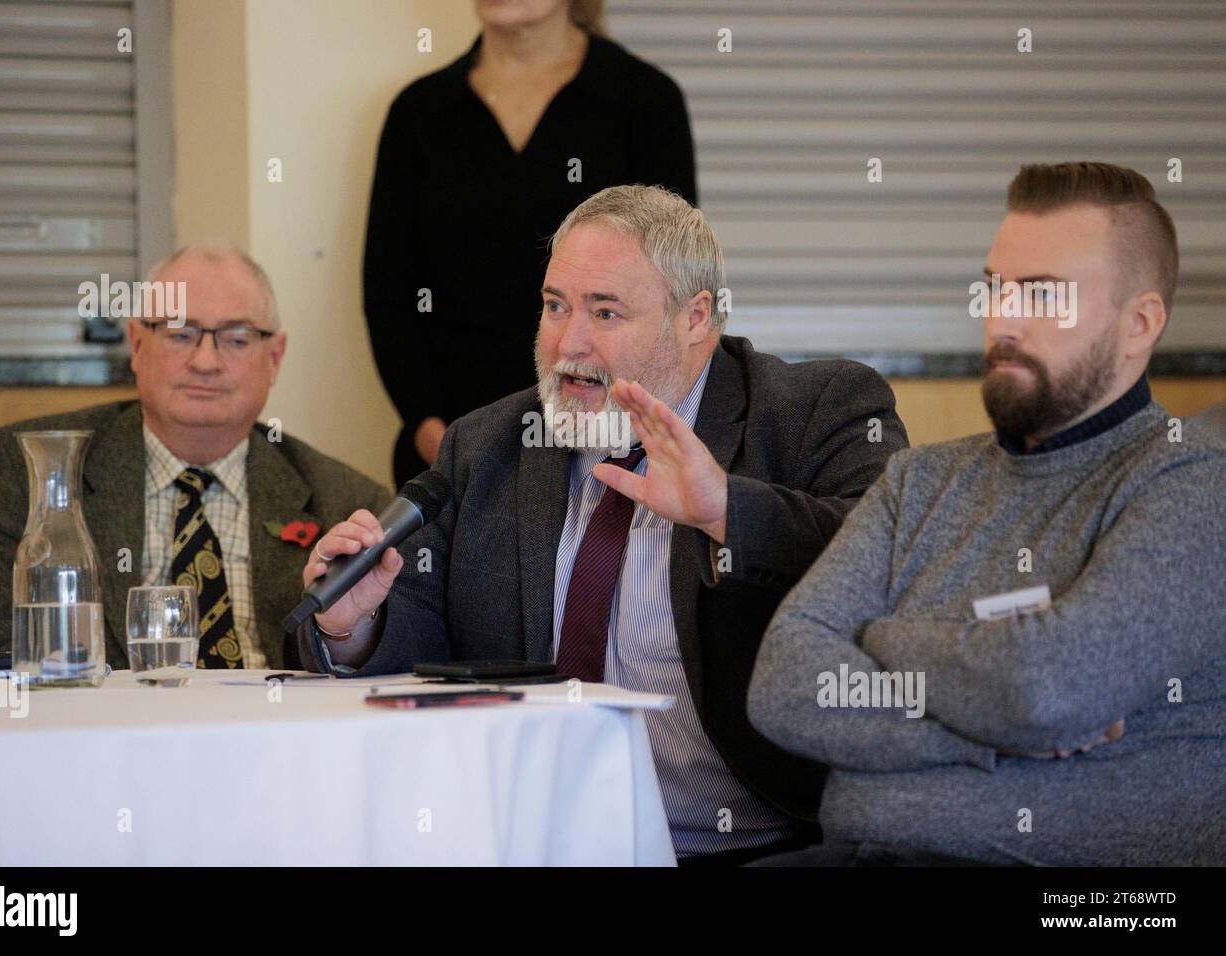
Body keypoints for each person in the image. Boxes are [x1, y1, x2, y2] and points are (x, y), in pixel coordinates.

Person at [300, 186, 908, 862]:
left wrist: (723, 509)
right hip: (532, 845)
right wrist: (355, 626)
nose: (568, 342)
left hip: (757, 848)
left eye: (605, 312)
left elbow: (892, 562)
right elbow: (424, 634)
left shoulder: (816, 410)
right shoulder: (488, 445)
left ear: (695, 318)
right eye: (555, 305)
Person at [748, 162, 1226, 866]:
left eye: (1042, 295)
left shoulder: (1189, 487)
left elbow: (1046, 688)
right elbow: (786, 685)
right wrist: (986, 729)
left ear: (1139, 324)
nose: (1001, 319)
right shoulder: (920, 480)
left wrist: (883, 638)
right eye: (995, 287)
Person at [0, 244, 390, 671]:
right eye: (181, 334)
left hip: (274, 739)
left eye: (236, 339)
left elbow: (379, 659)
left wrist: (344, 634)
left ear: (274, 358)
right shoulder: (29, 466)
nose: (205, 361)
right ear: (137, 346)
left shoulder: (348, 500)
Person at [364, 0, 696, 485]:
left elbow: (670, 281)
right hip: (450, 447)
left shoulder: (643, 101)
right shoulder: (421, 111)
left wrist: (620, 425)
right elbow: (389, 290)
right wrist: (434, 432)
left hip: (606, 442)